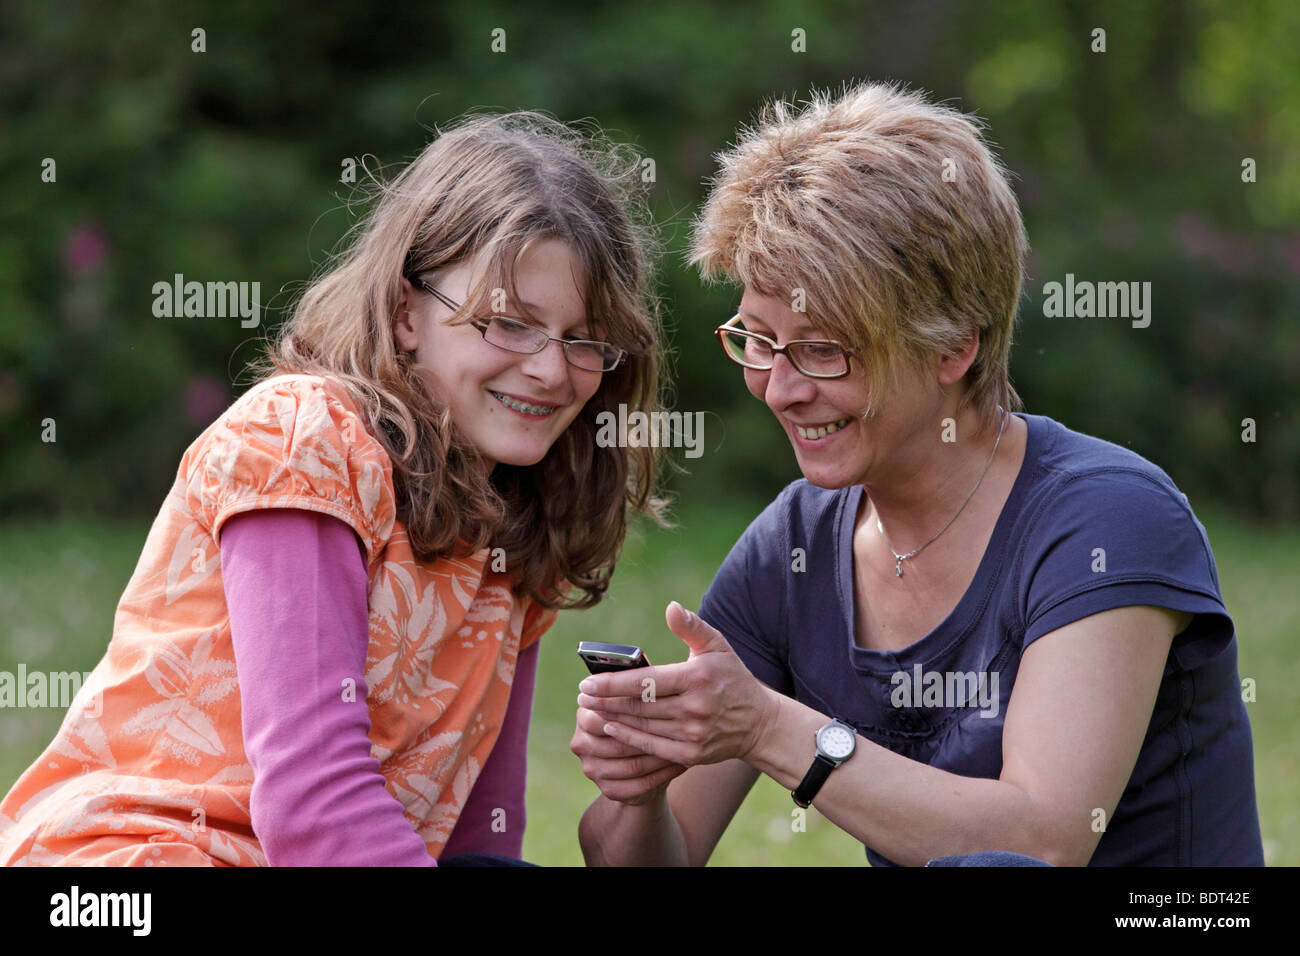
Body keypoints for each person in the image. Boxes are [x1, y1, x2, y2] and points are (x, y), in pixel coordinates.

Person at [571, 81, 1265, 867]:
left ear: (952, 347)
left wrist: (769, 727)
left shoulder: (1108, 520)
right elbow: (659, 857)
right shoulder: (795, 546)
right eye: (758, 340)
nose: (782, 386)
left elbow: (1046, 839)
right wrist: (641, 784)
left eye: (824, 349)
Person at [0, 110, 667, 866]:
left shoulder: (519, 522)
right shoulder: (305, 440)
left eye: (584, 338)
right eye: (508, 323)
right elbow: (315, 806)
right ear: (406, 311)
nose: (552, 369)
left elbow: (480, 836)